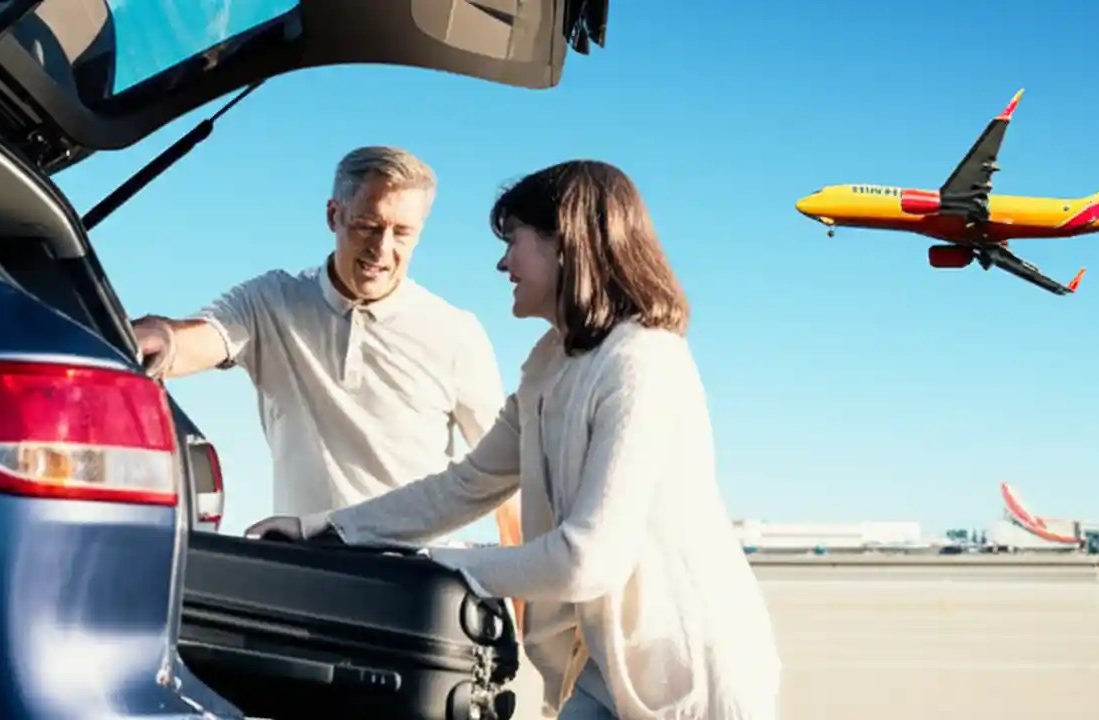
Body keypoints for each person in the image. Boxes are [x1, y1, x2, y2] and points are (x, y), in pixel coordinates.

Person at [246, 160, 782, 719]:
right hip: (605, 670)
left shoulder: (642, 360)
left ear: (566, 244)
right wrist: (325, 529)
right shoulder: (548, 366)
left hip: (694, 678)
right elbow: (463, 486)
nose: (503, 263)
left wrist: (437, 563)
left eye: (515, 241)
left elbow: (588, 559)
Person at [131, 145, 522, 541]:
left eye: (402, 232)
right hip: (304, 565)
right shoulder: (270, 301)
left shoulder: (456, 333)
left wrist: (523, 599)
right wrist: (161, 336)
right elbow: (197, 338)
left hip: (412, 574)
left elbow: (504, 478)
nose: (382, 248)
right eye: (368, 225)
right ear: (334, 215)